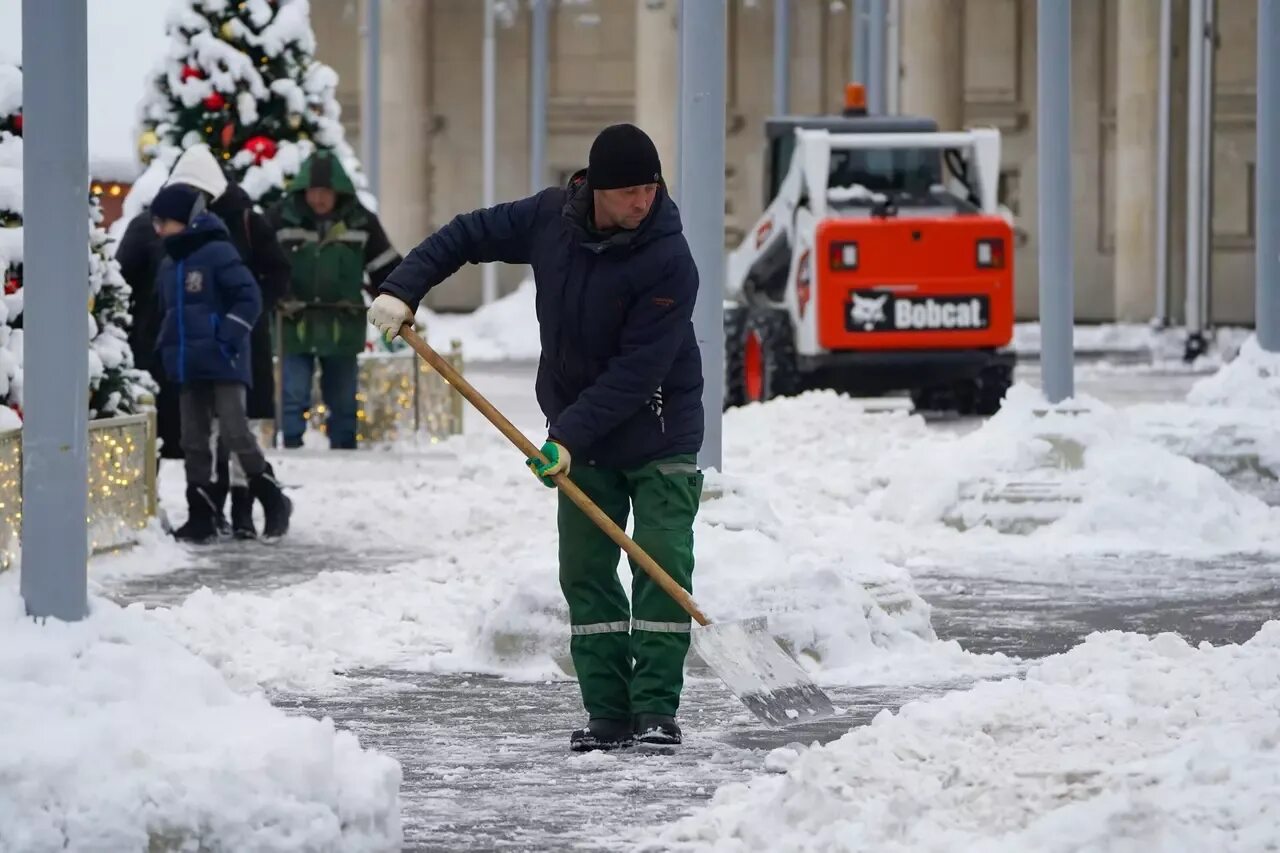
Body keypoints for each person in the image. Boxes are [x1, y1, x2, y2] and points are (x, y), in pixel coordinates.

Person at [368, 124, 705, 752]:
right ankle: (608, 715)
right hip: (583, 434)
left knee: (660, 564)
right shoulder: (550, 218)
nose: (643, 202)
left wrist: (567, 435)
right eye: (629, 191)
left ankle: (656, 710)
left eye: (650, 188)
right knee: (585, 571)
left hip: (659, 427)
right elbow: (466, 234)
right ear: (597, 188)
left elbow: (637, 372)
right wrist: (401, 287)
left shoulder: (669, 259)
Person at [116, 143, 291, 539]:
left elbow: (253, 291)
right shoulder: (168, 256)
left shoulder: (221, 246)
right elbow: (158, 303)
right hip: (184, 361)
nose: (158, 229)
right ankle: (203, 513)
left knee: (234, 430)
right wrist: (163, 346)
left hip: (224, 356)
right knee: (193, 438)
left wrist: (228, 334)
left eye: (165, 222)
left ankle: (266, 496)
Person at [265, 150, 402, 450]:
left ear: (338, 191)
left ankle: (344, 448)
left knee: (342, 397)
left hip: (343, 324)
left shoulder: (361, 221)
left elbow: (386, 267)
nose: (319, 199)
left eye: (325, 192)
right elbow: (263, 263)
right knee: (292, 394)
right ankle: (289, 448)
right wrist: (279, 294)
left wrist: (397, 297)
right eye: (313, 191)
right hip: (294, 323)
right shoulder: (279, 218)